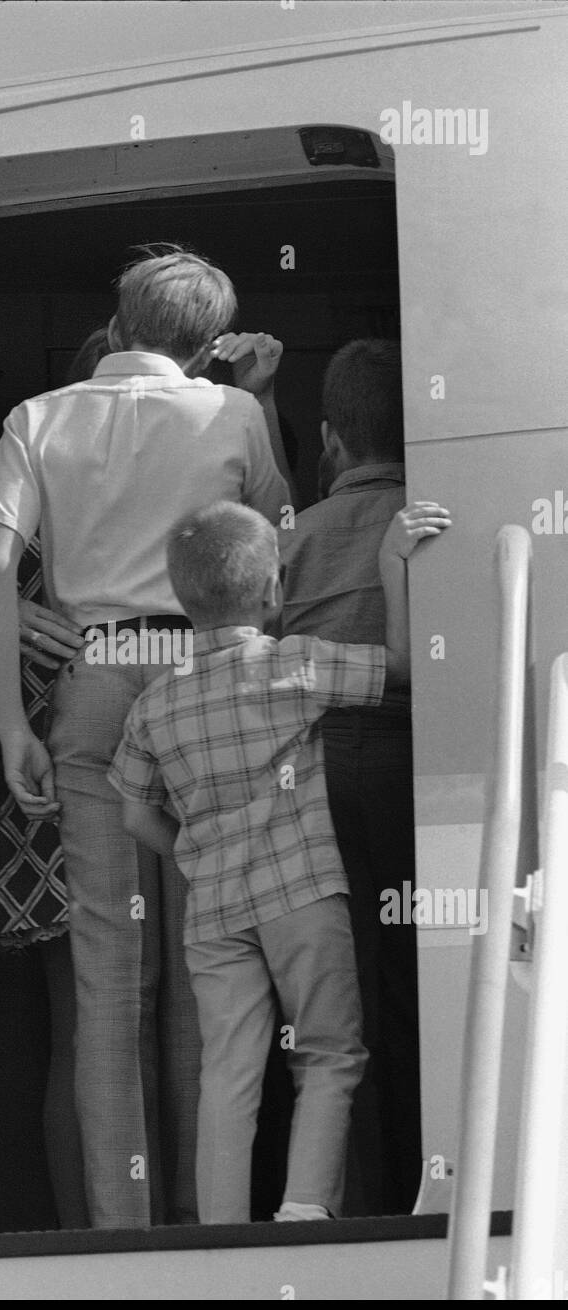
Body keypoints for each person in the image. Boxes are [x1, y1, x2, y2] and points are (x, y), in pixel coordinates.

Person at [0, 245, 290, 1228]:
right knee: (207, 968)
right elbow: (283, 538)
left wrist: (10, 719)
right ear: (207, 341)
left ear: (120, 318)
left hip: (93, 682)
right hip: (205, 680)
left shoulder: (39, 414)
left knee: (107, 983)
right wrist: (263, 396)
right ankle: (209, 1228)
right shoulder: (231, 413)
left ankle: (120, 1236)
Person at [108, 498, 451, 1224]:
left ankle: (222, 1231)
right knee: (328, 1052)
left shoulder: (154, 705)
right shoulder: (295, 665)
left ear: (179, 596)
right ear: (272, 593)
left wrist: (197, 857)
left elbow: (136, 813)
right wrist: (390, 560)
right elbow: (402, 670)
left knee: (228, 1069)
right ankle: (302, 1212)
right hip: (302, 891)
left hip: (214, 912)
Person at [272, 338, 423, 1215]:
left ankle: (358, 1206)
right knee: (420, 983)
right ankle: (434, 1178)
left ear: (328, 438)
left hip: (316, 777)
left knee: (342, 1005)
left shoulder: (295, 538)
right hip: (413, 765)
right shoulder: (432, 514)